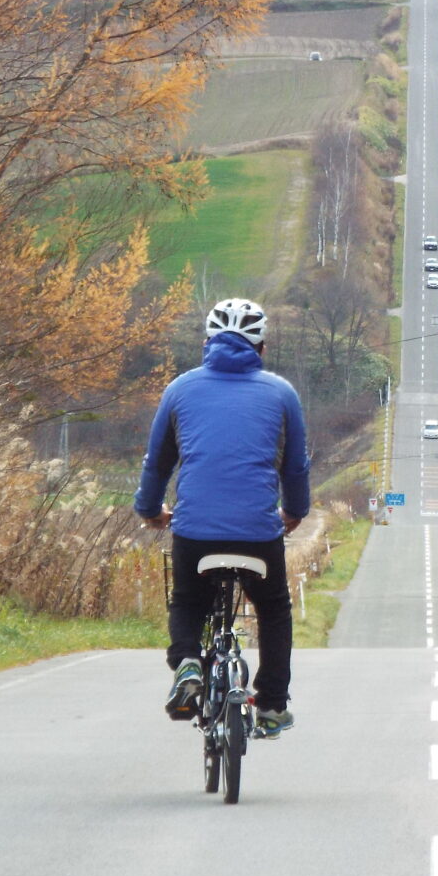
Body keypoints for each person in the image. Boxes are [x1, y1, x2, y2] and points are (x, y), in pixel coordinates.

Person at [134, 298, 310, 738]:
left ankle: (188, 662)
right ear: (261, 348)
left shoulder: (180, 389)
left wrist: (150, 510)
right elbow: (295, 468)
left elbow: (158, 463)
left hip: (195, 530)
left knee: (188, 600)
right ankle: (271, 705)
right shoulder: (282, 393)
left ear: (207, 343)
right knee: (273, 608)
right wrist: (294, 512)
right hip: (258, 532)